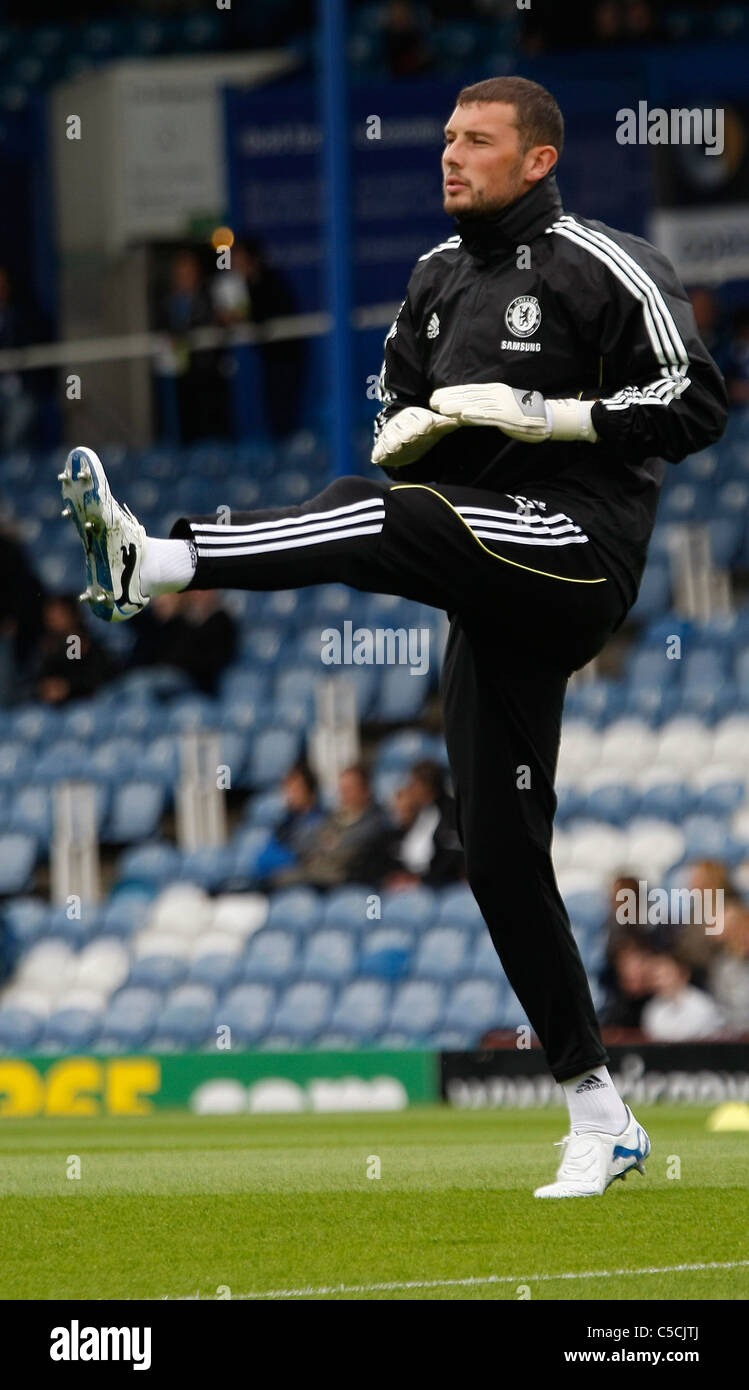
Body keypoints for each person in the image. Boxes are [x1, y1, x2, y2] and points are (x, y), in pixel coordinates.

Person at [61, 75, 727, 1196]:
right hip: (486, 569)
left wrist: (555, 417)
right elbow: (397, 439)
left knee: (360, 509)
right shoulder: (428, 284)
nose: (450, 155)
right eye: (446, 138)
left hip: (575, 549)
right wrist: (415, 434)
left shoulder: (596, 261)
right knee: (496, 854)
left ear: (537, 160)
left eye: (477, 139)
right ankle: (598, 1112)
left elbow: (696, 399)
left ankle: (158, 563)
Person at [270, 764, 390, 889]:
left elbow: (349, 848)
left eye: (350, 789)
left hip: (346, 880)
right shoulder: (333, 817)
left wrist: (330, 844)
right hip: (318, 873)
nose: (344, 795)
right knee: (277, 879)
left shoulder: (375, 821)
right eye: (342, 790)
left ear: (365, 790)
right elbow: (312, 844)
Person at [384, 759, 464, 888]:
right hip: (412, 878)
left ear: (426, 786)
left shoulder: (451, 813)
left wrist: (422, 880)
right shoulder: (418, 811)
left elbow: (450, 857)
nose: (409, 789)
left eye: (413, 784)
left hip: (438, 884)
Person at [641, 950, 725, 1042]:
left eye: (666, 975)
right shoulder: (652, 1009)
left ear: (684, 975)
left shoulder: (702, 1006)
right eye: (657, 977)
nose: (661, 982)